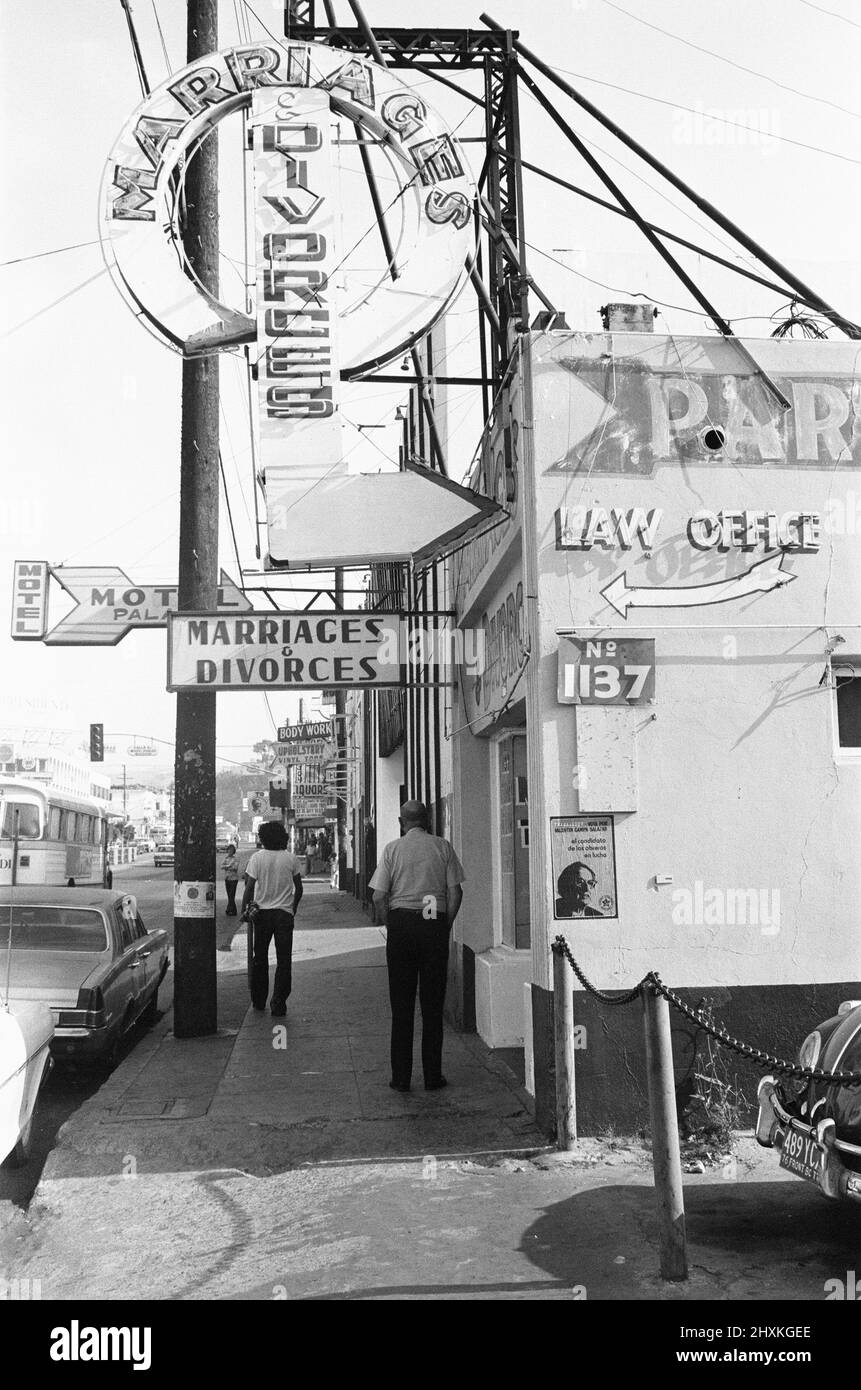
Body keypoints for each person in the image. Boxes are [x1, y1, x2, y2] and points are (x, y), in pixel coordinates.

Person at [370, 801, 465, 1093]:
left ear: (402, 821)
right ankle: (432, 1076)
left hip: (401, 924)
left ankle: (401, 1078)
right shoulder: (443, 847)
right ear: (427, 820)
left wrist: (392, 924)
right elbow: (455, 892)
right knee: (432, 1006)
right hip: (432, 922)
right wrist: (443, 925)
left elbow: (377, 897)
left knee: (402, 1008)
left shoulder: (392, 850)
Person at [241, 821, 303, 1017]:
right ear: (283, 837)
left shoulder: (257, 858)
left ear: (263, 837)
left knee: (260, 958)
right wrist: (293, 908)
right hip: (284, 915)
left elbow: (249, 888)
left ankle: (259, 1000)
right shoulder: (291, 858)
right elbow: (299, 888)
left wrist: (244, 910)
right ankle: (279, 1002)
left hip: (262, 915)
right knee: (284, 960)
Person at [222, 842, 240, 916]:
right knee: (229, 895)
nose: (230, 851)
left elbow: (235, 868)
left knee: (232, 895)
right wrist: (229, 866)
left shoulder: (236, 858)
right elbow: (221, 866)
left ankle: (229, 909)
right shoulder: (225, 858)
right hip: (227, 878)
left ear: (233, 851)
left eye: (231, 850)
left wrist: (227, 867)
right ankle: (233, 910)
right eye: (229, 850)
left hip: (234, 879)